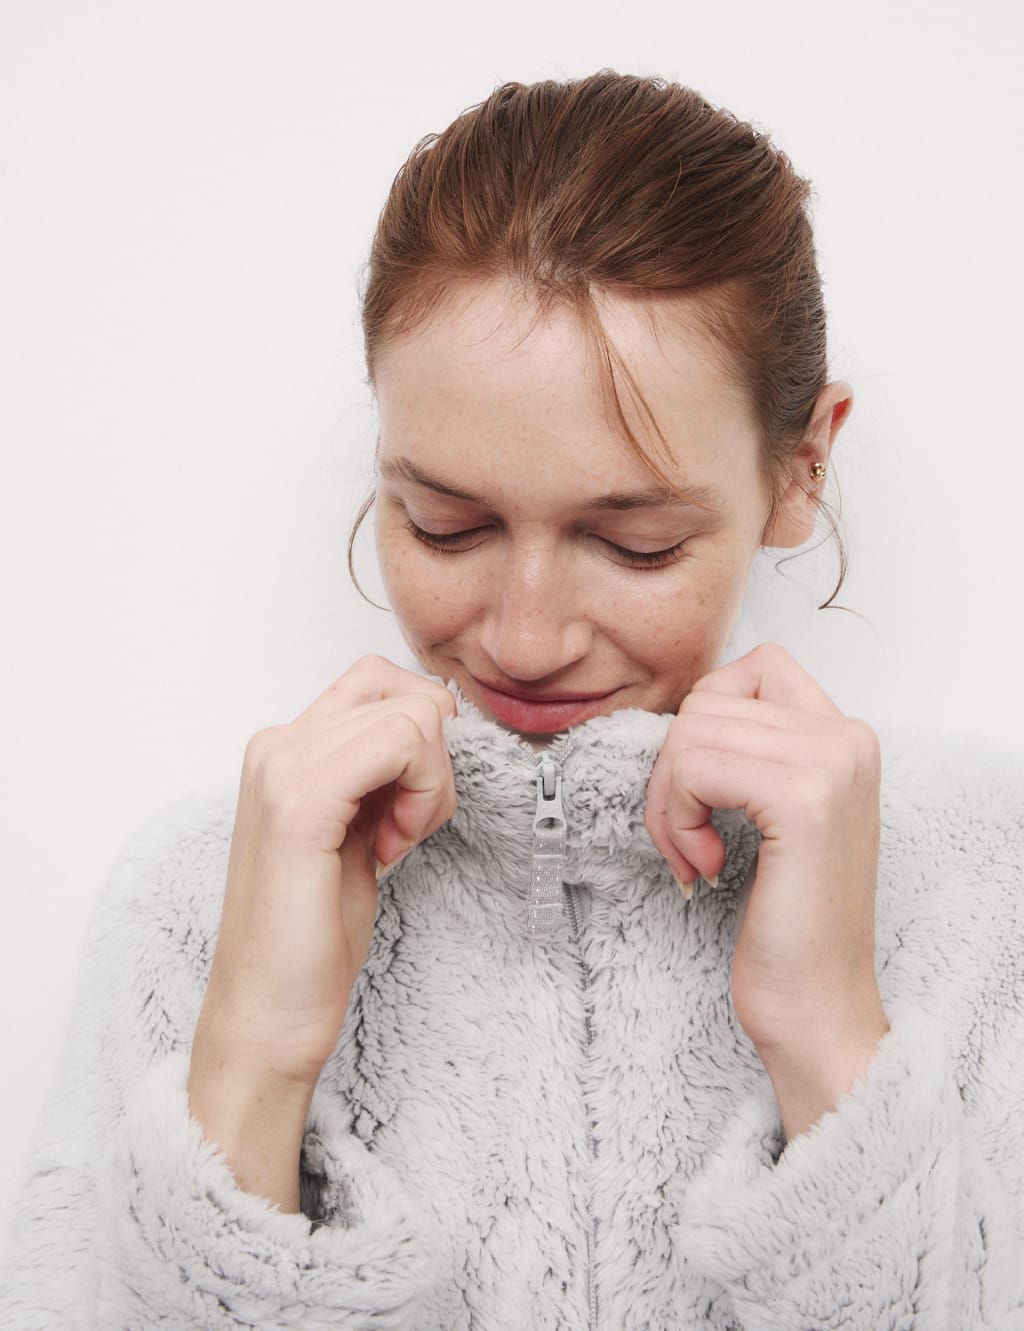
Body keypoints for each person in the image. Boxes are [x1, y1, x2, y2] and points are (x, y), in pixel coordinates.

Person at [2, 69, 1022, 1330]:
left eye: (635, 541)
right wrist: (252, 1061)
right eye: (445, 524)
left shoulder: (985, 881)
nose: (526, 637)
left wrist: (827, 1036)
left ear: (803, 466)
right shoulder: (194, 895)